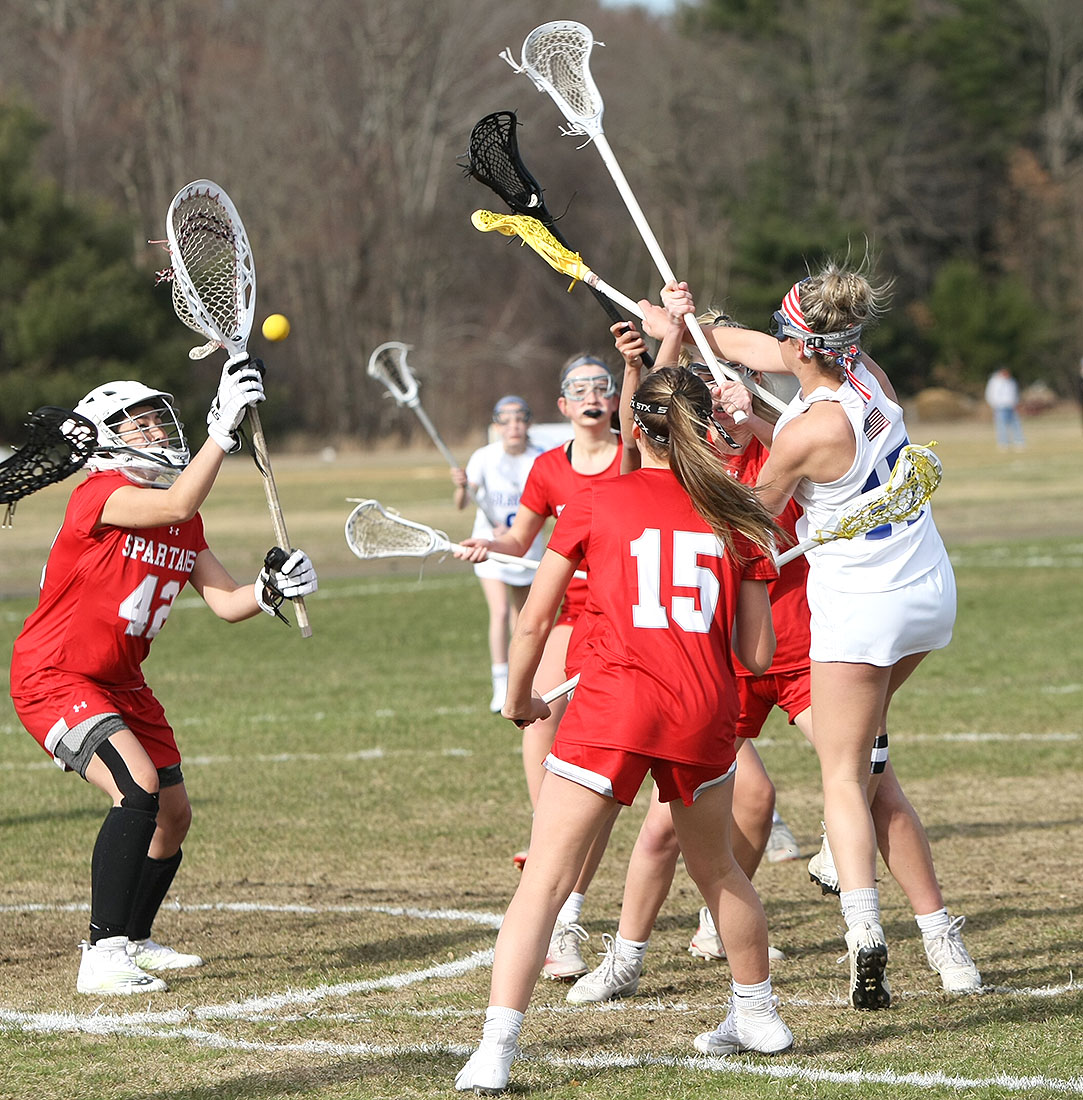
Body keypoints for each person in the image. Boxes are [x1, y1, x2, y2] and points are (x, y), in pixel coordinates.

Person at [569, 313, 979, 1006]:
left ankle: (940, 938)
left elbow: (793, 442)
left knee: (874, 785)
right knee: (683, 815)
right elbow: (644, 437)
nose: (713, 418)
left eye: (722, 399)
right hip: (719, 659)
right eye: (700, 409)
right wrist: (663, 339)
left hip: (799, 650)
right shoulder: (681, 474)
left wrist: (730, 383)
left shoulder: (779, 443)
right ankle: (625, 956)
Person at [454, 366, 790, 1094]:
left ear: (635, 429)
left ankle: (495, 1050)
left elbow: (536, 618)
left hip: (612, 709)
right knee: (719, 870)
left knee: (542, 884)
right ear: (707, 427)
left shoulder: (596, 497)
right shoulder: (735, 513)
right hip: (703, 713)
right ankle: (757, 1013)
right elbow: (756, 655)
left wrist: (521, 699)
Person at [657, 266, 959, 1011]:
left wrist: (730, 427)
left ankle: (864, 936)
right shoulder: (866, 373)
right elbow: (757, 353)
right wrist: (679, 321)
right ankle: (944, 945)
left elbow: (746, 515)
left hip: (862, 608)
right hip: (928, 596)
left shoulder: (800, 431)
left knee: (840, 779)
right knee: (866, 754)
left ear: (801, 341)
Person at [8, 367, 318, 995]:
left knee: (173, 815)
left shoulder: (183, 520)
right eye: (138, 421)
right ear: (103, 439)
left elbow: (228, 602)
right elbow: (179, 500)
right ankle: (101, 952)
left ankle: (136, 937)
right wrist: (221, 432)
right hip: (55, 673)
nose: (155, 429)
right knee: (138, 790)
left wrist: (270, 589)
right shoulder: (100, 494)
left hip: (122, 681)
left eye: (158, 418)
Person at [455, 354, 622, 981]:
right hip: (574, 616)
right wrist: (487, 544)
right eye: (578, 389)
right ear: (562, 406)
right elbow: (519, 538)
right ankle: (547, 821)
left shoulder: (633, 453)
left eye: (600, 388)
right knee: (539, 720)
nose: (590, 397)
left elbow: (646, 398)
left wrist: (649, 356)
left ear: (612, 401)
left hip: (631, 621)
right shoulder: (551, 468)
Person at [450, 396, 544, 713]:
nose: (513, 427)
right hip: (486, 545)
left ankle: (520, 682)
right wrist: (462, 486)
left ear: (528, 424)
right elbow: (462, 503)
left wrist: (518, 530)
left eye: (519, 420)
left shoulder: (540, 459)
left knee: (524, 620)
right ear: (497, 427)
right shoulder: (483, 457)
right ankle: (499, 682)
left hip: (525, 549)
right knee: (500, 612)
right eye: (506, 421)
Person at [984, 367, 1025, 450]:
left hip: (1011, 406)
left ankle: (1019, 441)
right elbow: (991, 394)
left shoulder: (1011, 381)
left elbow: (1014, 393)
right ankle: (1003, 443)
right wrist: (995, 405)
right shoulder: (995, 382)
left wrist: (1016, 403)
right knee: (1001, 426)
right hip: (1000, 407)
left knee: (1016, 424)